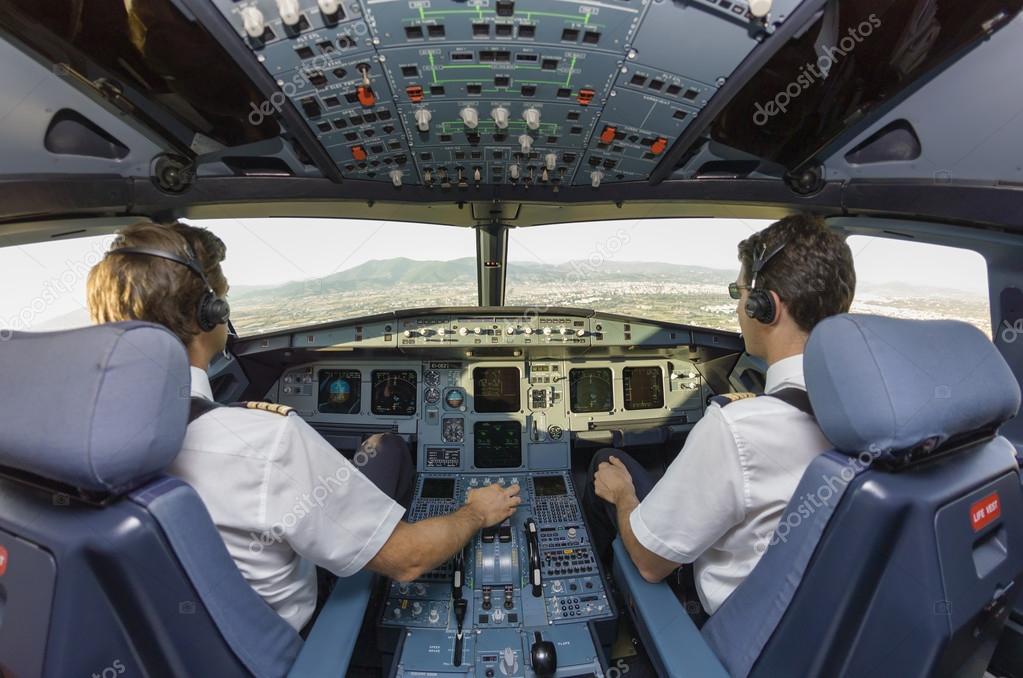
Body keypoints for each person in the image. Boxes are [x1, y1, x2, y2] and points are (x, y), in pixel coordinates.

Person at [87, 221, 521, 632]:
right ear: (209, 313)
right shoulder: (263, 441)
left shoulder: (76, 438)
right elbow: (408, 560)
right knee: (387, 449)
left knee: (383, 447)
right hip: (280, 642)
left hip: (182, 639)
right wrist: (476, 512)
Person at [583, 213, 856, 616]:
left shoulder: (738, 428)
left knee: (606, 465)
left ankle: (611, 600)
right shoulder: (876, 409)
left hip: (728, 626)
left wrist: (624, 496)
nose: (738, 308)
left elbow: (649, 561)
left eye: (739, 292)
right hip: (812, 612)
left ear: (767, 306)